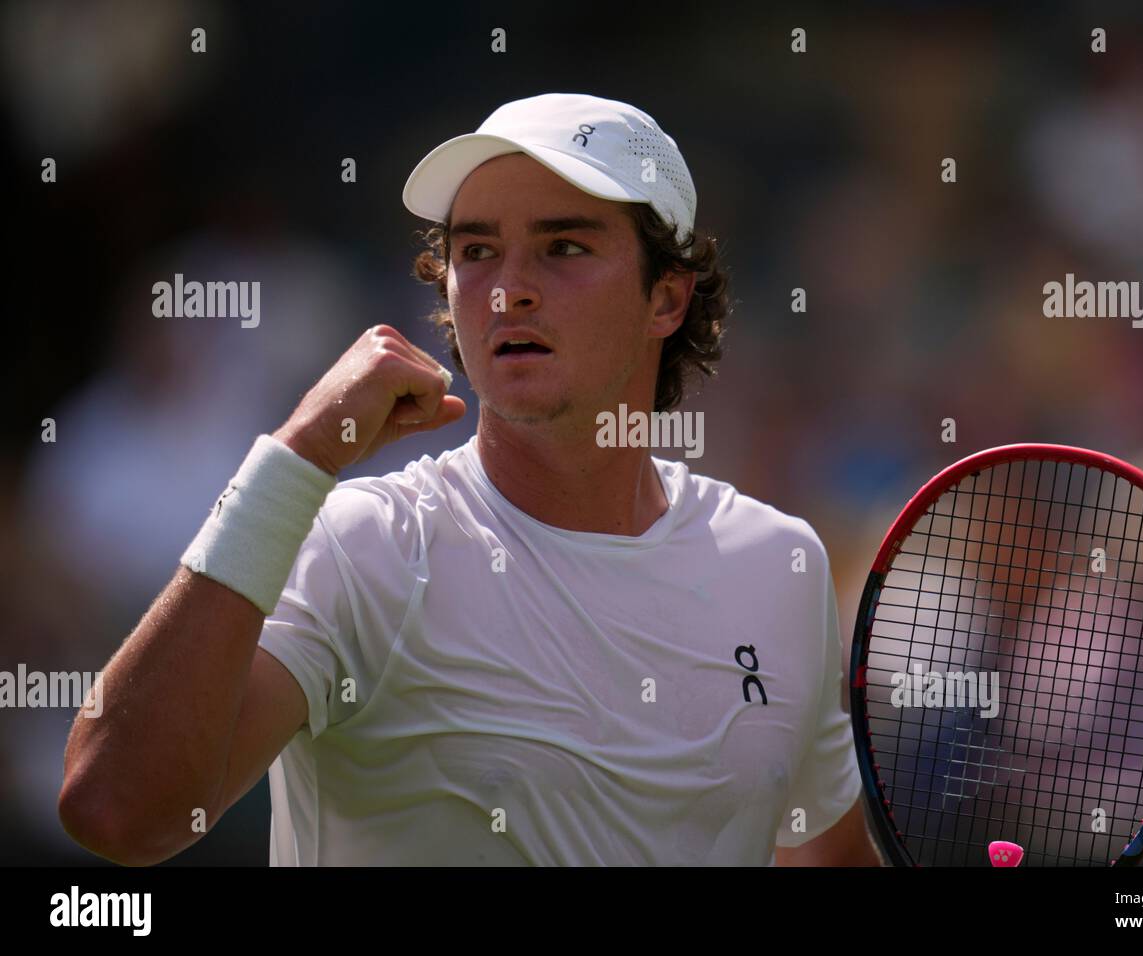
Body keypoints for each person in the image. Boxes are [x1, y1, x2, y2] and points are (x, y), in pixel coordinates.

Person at [58, 92, 877, 866]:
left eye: (564, 247)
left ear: (666, 298)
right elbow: (115, 810)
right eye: (477, 251)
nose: (508, 289)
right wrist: (297, 454)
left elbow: (826, 855)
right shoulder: (364, 545)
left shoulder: (781, 563)